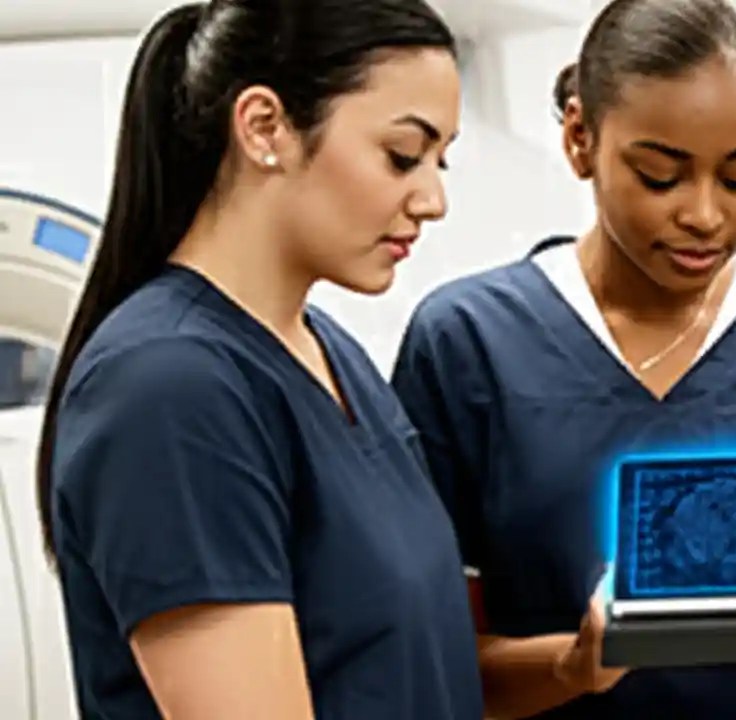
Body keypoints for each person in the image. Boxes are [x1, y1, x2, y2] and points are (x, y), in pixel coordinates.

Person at [389, 0, 736, 717]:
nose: (705, 215)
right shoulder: (468, 343)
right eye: (661, 176)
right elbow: (428, 661)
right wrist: (572, 667)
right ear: (580, 139)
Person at [36, 2, 481, 718]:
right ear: (265, 127)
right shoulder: (168, 390)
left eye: (441, 160)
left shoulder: (331, 355)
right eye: (403, 155)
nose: (433, 200)